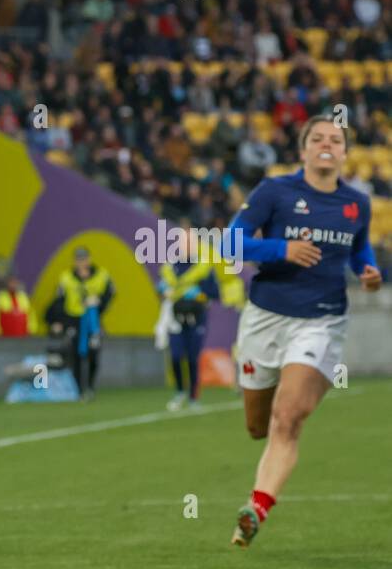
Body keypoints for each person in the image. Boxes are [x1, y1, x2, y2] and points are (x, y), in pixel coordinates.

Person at [224, 116, 383, 547]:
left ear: (345, 152)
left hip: (322, 321)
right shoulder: (275, 192)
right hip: (265, 318)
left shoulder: (356, 203)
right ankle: (261, 481)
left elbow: (358, 247)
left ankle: (256, 508)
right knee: (258, 426)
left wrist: (367, 271)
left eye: (336, 139)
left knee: (288, 417)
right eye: (318, 138)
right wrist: (282, 249)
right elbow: (230, 244)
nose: (327, 144)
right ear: (304, 150)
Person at [158, 242, 219, 411]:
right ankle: (179, 392)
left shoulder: (203, 267)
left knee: (192, 358)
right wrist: (164, 291)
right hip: (175, 317)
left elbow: (214, 293)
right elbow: (161, 287)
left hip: (196, 317)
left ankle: (193, 397)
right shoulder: (170, 268)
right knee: (176, 356)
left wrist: (199, 294)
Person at [52, 246, 114, 400]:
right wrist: (61, 321)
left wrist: (99, 302)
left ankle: (91, 386)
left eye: (84, 258)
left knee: (94, 354)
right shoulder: (66, 277)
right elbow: (60, 300)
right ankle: (80, 389)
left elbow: (109, 294)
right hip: (74, 320)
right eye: (79, 259)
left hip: (93, 321)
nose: (82, 262)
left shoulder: (101, 275)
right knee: (77, 355)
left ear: (89, 259)